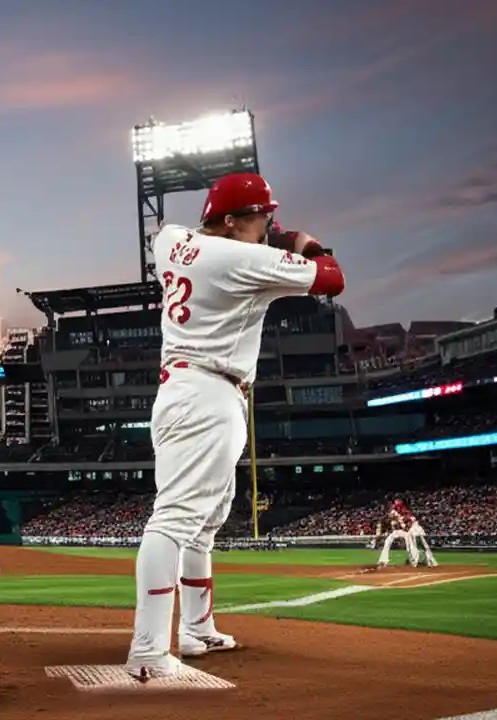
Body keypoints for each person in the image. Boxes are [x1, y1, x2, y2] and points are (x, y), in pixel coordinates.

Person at [126, 172, 346, 680]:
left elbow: (205, 239)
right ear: (231, 221)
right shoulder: (243, 258)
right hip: (205, 394)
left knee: (205, 522)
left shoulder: (170, 239)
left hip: (196, 390)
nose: (268, 227)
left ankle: (197, 629)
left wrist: (267, 235)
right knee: (176, 519)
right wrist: (305, 242)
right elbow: (331, 276)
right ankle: (147, 649)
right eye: (260, 218)